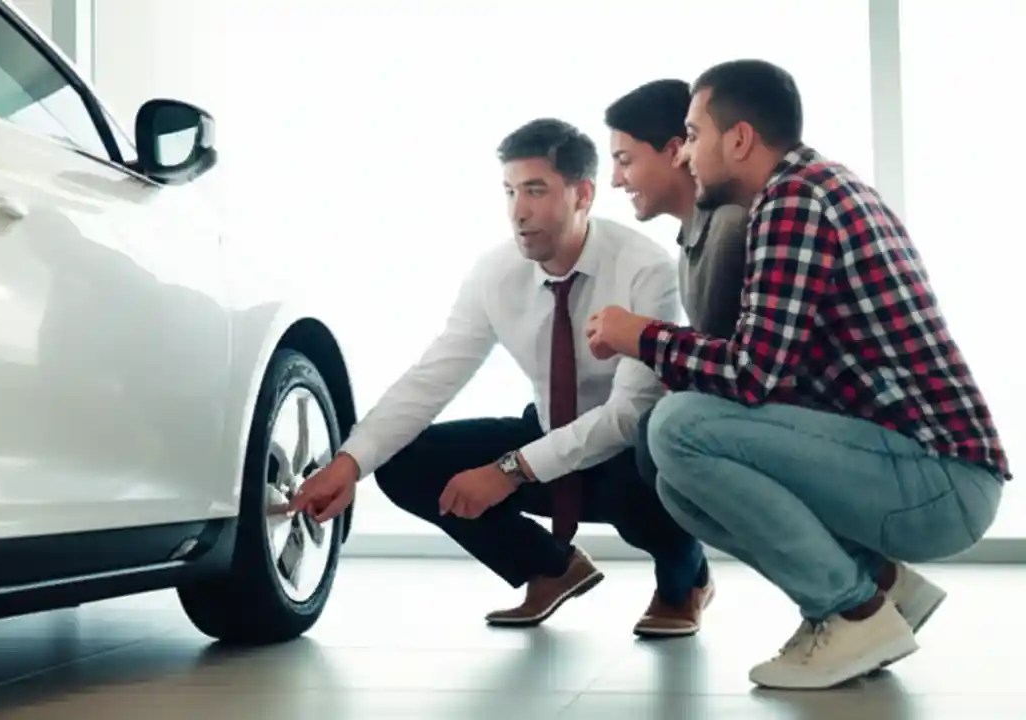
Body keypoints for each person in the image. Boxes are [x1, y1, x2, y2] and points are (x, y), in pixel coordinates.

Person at [584, 58, 1009, 690]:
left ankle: (851, 612)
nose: (689, 154)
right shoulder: (811, 187)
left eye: (695, 135)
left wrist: (642, 337)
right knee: (678, 480)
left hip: (939, 480)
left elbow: (755, 376)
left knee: (676, 426)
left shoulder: (794, 201)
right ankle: (886, 589)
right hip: (913, 468)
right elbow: (778, 377)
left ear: (740, 139)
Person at [290, 118, 714, 636]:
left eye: (536, 191)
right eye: (510, 192)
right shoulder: (496, 273)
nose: (518, 211)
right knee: (403, 464)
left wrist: (509, 470)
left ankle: (684, 583)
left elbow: (626, 417)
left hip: (628, 453)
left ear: (583, 194)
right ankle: (549, 567)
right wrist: (348, 463)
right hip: (548, 432)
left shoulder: (645, 269)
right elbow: (432, 378)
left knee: (651, 472)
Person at [604, 78, 751, 487]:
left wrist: (637, 337)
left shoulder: (727, 228)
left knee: (658, 434)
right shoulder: (691, 239)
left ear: (673, 151)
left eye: (624, 160)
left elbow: (732, 368)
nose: (616, 179)